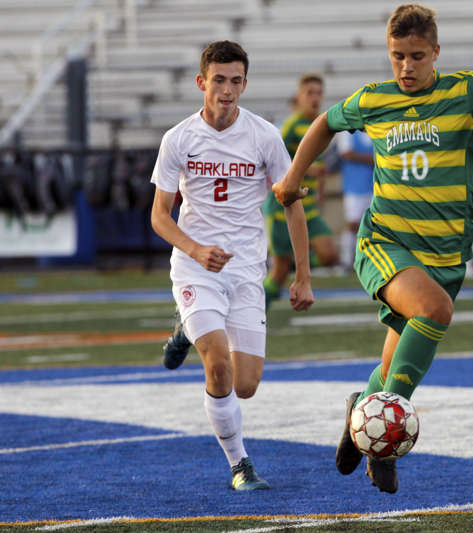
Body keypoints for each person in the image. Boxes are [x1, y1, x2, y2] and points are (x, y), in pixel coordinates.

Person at [272, 4, 473, 494]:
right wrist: (292, 179)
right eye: (397, 56)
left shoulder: (466, 92)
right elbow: (324, 125)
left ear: (435, 52)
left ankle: (365, 409)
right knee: (434, 311)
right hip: (386, 243)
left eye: (416, 56)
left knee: (396, 360)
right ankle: (386, 418)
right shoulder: (373, 100)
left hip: (445, 256)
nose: (406, 67)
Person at [150, 41, 314, 490]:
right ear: (202, 82)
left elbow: (291, 206)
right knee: (218, 368)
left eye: (235, 80)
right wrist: (196, 249)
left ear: (245, 83)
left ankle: (185, 331)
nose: (227, 89)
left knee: (245, 385)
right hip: (195, 269)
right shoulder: (178, 139)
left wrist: (302, 275)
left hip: (245, 273)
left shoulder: (264, 136)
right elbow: (159, 216)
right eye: (218, 80)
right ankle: (241, 465)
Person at [263, 74, 338, 310]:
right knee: (279, 271)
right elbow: (276, 164)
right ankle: (255, 315)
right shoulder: (292, 126)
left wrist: (320, 189)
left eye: (319, 93)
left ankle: (296, 264)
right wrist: (306, 170)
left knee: (329, 255)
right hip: (284, 208)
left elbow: (321, 168)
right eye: (310, 93)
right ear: (299, 97)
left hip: (309, 208)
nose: (315, 98)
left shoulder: (322, 125)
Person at [334, 129, 375, 270]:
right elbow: (345, 153)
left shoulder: (374, 130)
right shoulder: (348, 132)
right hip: (354, 186)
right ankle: (346, 260)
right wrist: (370, 159)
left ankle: (367, 260)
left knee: (372, 225)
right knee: (353, 224)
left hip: (373, 185)